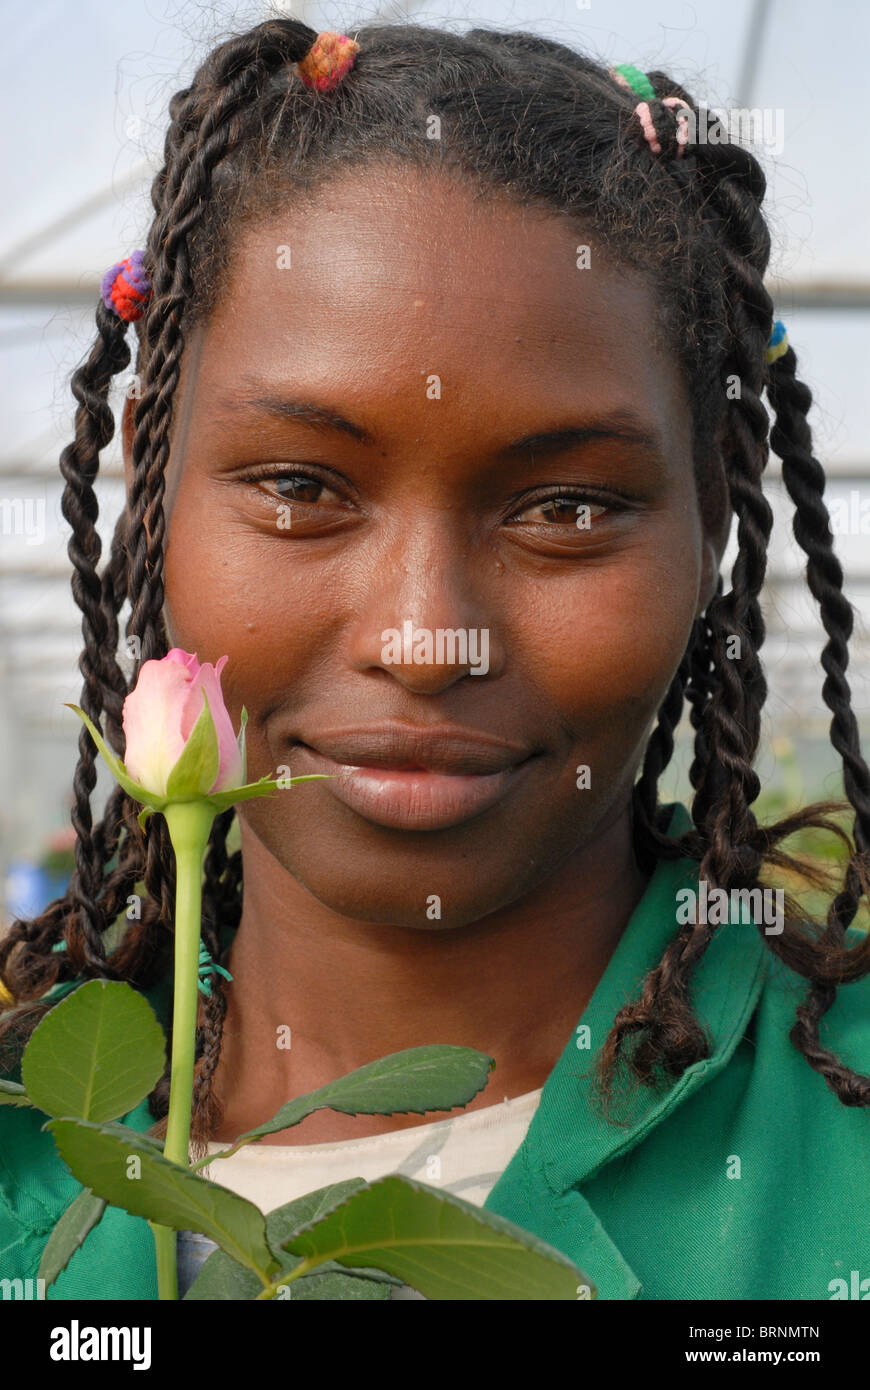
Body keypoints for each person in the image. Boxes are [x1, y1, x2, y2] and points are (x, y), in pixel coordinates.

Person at [1, 19, 868, 1302]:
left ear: (712, 522)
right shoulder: (33, 1128)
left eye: (567, 508)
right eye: (302, 485)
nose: (421, 637)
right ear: (153, 476)